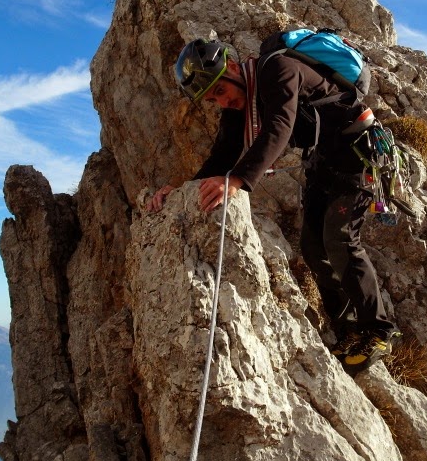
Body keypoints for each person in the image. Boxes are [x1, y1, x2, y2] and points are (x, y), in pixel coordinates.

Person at [147, 37, 400, 372]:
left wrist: (238, 180)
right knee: (312, 247)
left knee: (339, 240)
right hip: (324, 164)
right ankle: (348, 331)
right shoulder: (241, 100)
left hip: (357, 156)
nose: (222, 102)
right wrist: (181, 192)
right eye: (212, 99)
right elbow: (221, 155)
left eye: (220, 91)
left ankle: (378, 331)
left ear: (233, 68)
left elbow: (279, 126)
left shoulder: (278, 70)